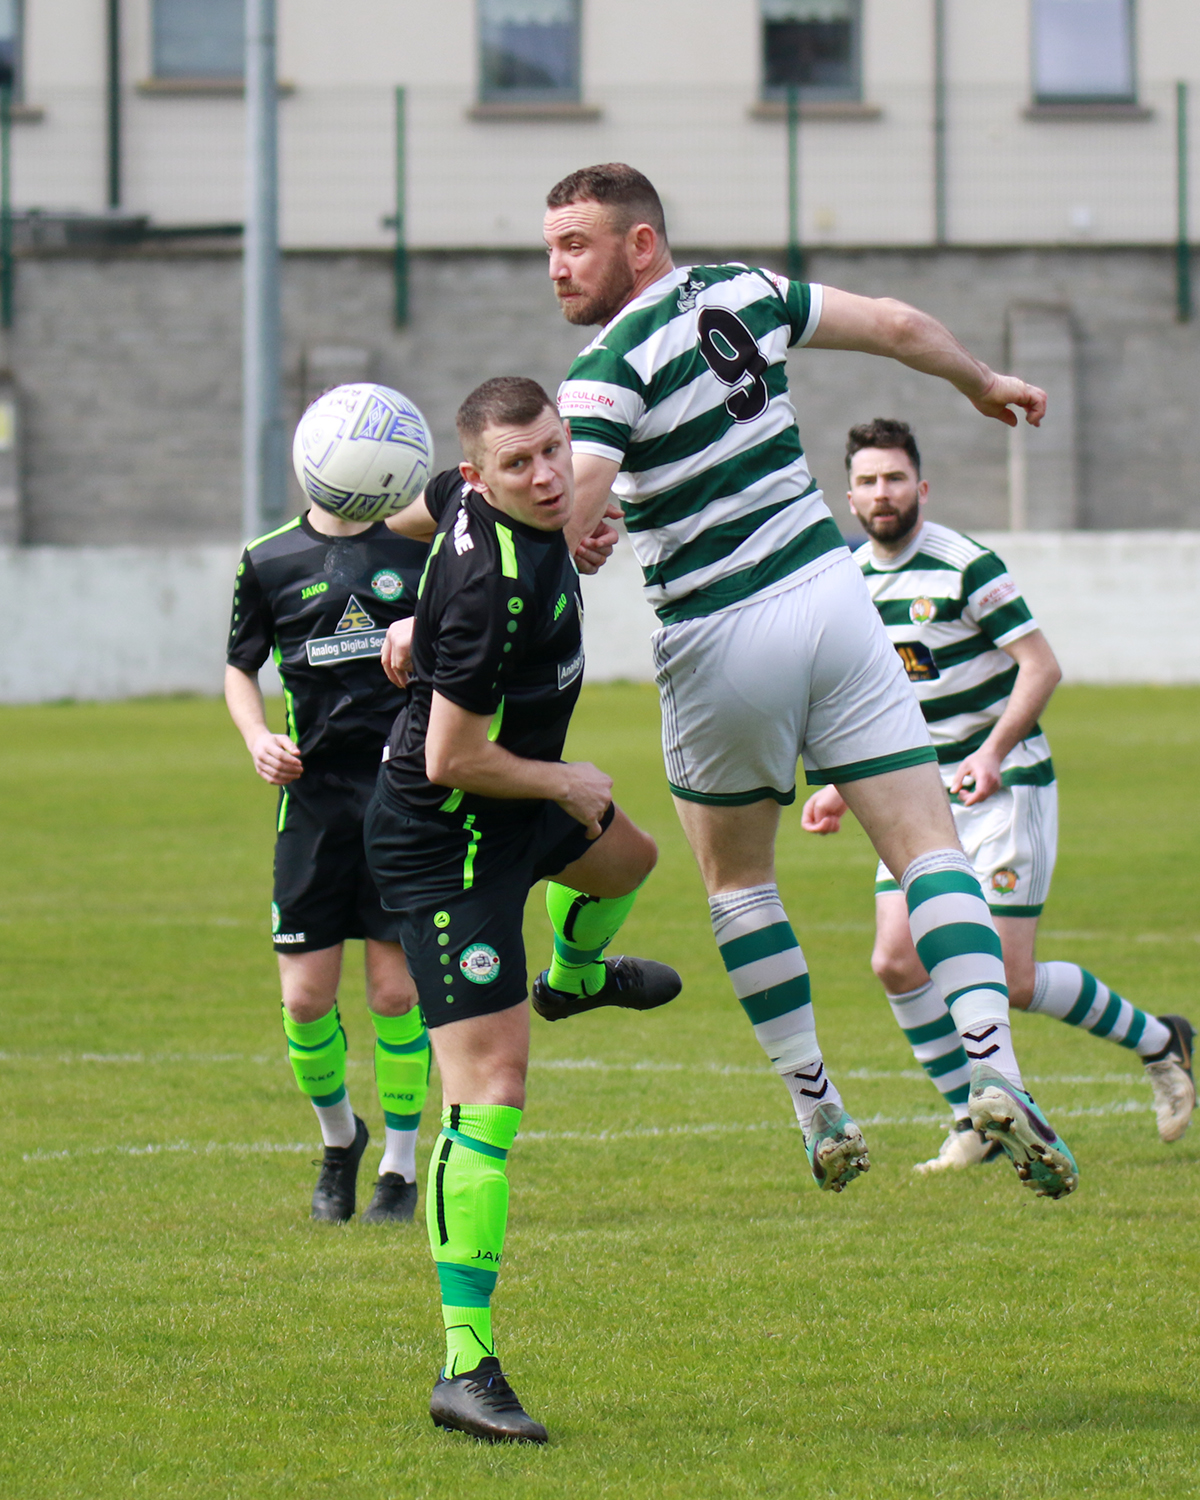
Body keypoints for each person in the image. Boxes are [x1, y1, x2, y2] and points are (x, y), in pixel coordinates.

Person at [544, 161, 1078, 1199]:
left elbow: (576, 499)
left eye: (577, 246)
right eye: (552, 248)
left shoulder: (604, 366)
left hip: (716, 632)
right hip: (832, 597)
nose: (557, 269)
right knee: (930, 847)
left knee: (740, 882)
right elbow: (887, 320)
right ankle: (995, 1071)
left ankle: (817, 1105)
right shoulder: (746, 290)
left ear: (640, 244)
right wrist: (980, 381)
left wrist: (577, 532)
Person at [364, 376, 680, 1444]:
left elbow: (410, 516)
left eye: (554, 451)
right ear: (477, 476)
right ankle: (465, 1364)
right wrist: (564, 780)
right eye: (520, 465)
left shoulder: (478, 506)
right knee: (489, 1093)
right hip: (450, 833)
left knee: (627, 863)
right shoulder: (488, 593)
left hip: (512, 793)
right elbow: (454, 754)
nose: (548, 477)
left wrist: (406, 604)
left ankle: (577, 977)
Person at [799, 417, 1195, 1170]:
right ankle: (972, 1118)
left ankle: (1161, 1041)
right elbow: (867, 699)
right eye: (868, 481)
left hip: (1006, 789)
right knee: (896, 961)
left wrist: (990, 751)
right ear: (848, 496)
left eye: (895, 478)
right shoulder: (848, 579)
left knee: (1010, 980)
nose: (882, 494)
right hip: (912, 794)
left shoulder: (964, 564)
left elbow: (1040, 666)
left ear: (922, 486)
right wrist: (844, 791)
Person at [224, 489, 434, 1225]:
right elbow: (240, 666)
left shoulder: (418, 550)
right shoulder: (269, 559)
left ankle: (400, 1172)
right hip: (312, 808)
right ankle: (341, 1142)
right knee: (305, 999)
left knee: (395, 994)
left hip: (400, 796)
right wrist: (258, 739)